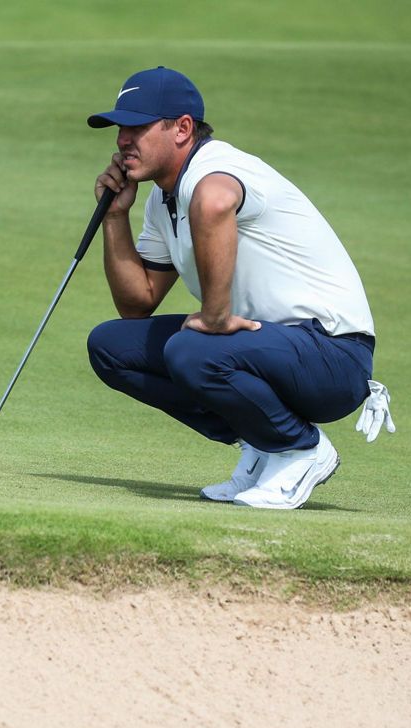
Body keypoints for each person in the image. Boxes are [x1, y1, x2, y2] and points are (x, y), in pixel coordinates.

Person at [85, 66, 394, 509]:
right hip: (268, 350)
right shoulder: (162, 198)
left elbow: (214, 201)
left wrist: (214, 316)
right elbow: (138, 303)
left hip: (333, 356)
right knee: (111, 346)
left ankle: (300, 447)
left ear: (183, 129)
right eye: (120, 129)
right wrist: (115, 217)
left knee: (190, 350)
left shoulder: (214, 169)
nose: (122, 140)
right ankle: (263, 440)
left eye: (138, 127)